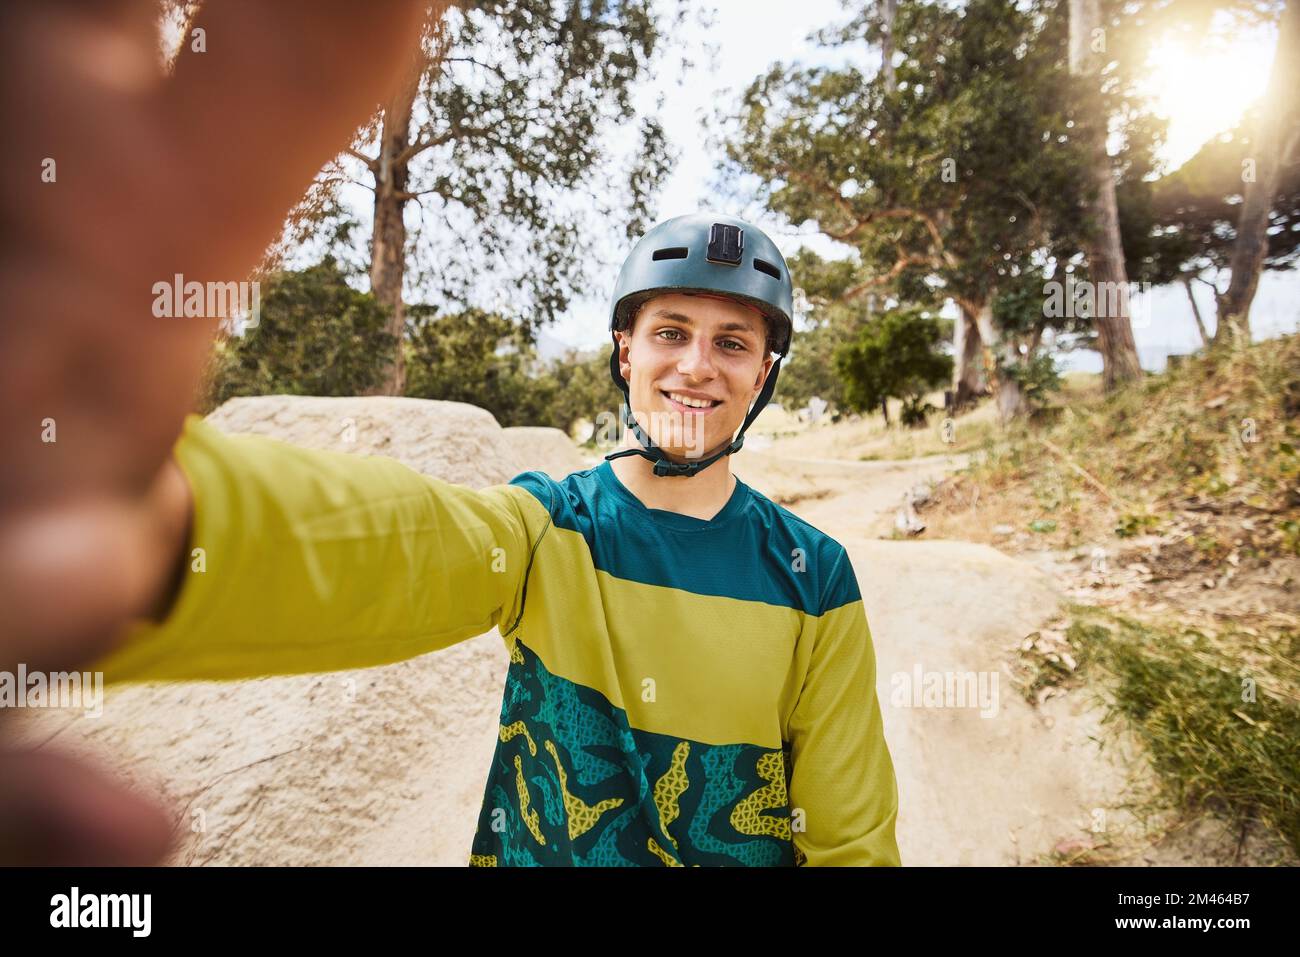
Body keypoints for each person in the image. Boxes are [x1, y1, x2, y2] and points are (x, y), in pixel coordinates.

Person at [86, 212, 902, 866]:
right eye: (671, 331)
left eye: (731, 343)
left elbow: (850, 836)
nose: (696, 365)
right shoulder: (548, 525)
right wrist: (146, 523)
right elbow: (406, 544)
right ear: (626, 352)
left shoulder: (814, 575)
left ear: (762, 376)